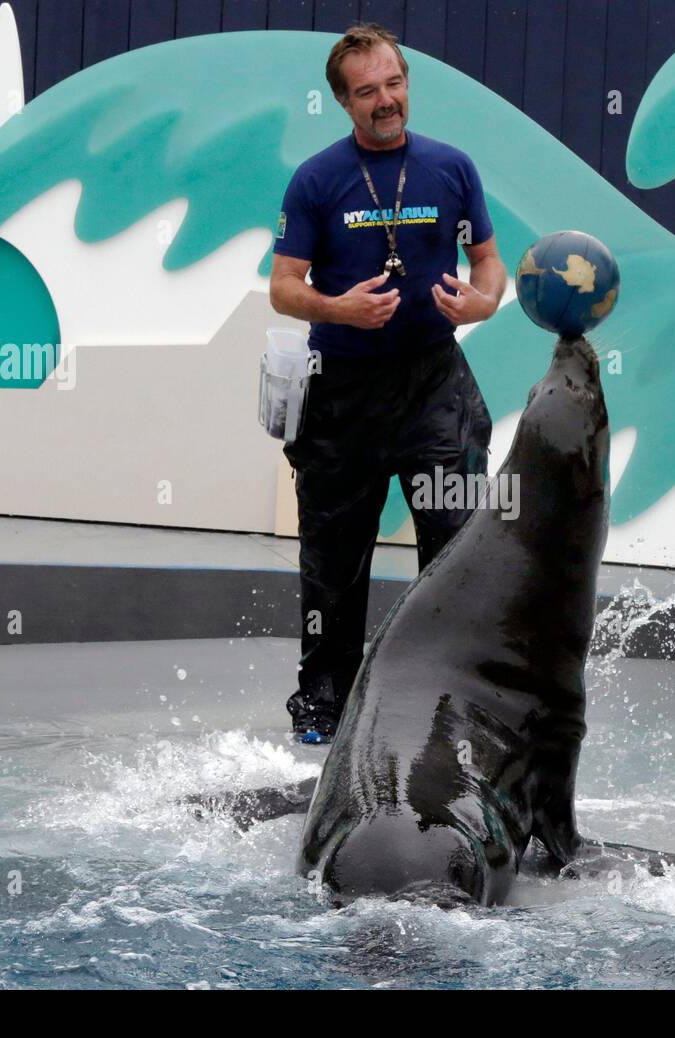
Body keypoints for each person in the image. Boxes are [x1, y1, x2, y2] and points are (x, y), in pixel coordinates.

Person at [269, 23, 506, 744]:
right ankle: (324, 704)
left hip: (434, 384)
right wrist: (336, 308)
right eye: (368, 91)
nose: (386, 101)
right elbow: (283, 287)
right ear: (343, 101)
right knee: (333, 561)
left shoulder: (451, 168)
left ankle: (451, 698)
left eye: (394, 83)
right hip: (342, 393)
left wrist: (485, 300)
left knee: (457, 547)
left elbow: (489, 261)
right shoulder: (316, 179)